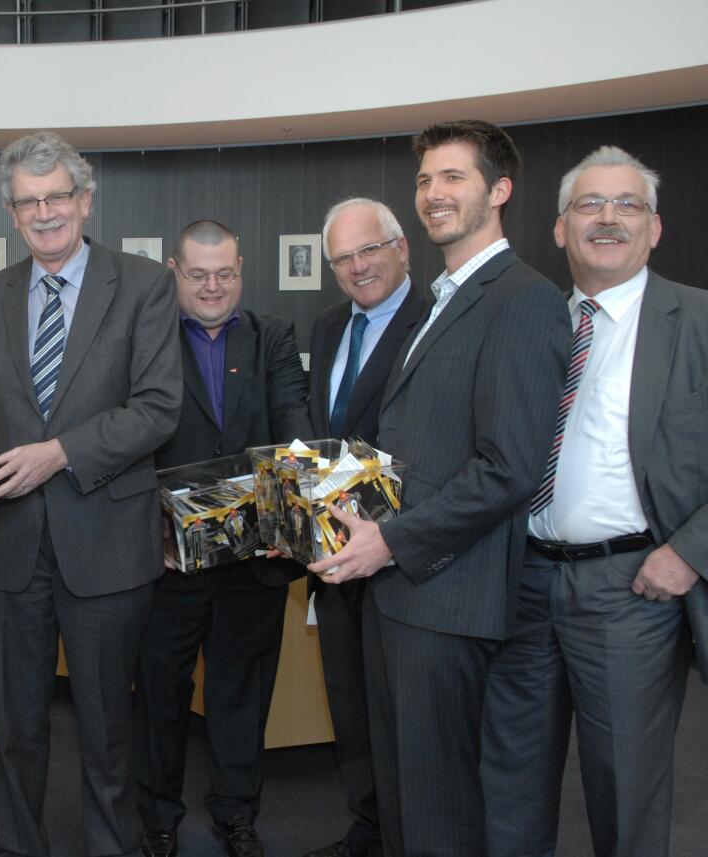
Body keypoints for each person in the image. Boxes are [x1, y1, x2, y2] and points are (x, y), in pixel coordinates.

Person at [304, 120, 570, 857]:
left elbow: (508, 467)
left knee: (436, 810)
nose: (433, 192)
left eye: (454, 177)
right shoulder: (448, 298)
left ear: (500, 190)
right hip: (402, 594)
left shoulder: (522, 298)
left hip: (447, 596)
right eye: (424, 180)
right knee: (403, 801)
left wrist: (389, 541)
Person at [480, 145, 708, 857]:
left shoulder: (698, 320)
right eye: (589, 204)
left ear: (655, 227)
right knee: (510, 780)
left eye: (627, 204)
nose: (608, 218)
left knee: (624, 790)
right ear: (559, 228)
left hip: (631, 590)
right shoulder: (533, 321)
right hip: (523, 582)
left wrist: (690, 552)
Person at [0, 130, 182, 857]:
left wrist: (58, 454)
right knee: (16, 730)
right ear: (11, 213)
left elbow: (158, 409)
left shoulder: (143, 284)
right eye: (28, 202)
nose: (45, 212)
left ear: (85, 200)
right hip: (10, 548)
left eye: (57, 196)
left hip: (107, 545)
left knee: (107, 731)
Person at [132, 220, 311, 857]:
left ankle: (237, 813)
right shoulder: (146, 337)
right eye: (199, 274)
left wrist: (288, 518)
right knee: (160, 695)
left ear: (241, 271)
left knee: (241, 694)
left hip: (253, 559)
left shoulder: (273, 337)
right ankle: (157, 816)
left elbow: (293, 426)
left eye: (226, 274)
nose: (213, 286)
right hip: (166, 561)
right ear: (174, 272)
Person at [300, 198, 428, 857]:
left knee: (404, 719)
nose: (357, 267)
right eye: (343, 258)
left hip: (404, 555)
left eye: (369, 250)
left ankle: (405, 836)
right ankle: (368, 828)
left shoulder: (435, 319)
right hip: (336, 555)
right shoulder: (328, 326)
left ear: (401, 248)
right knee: (350, 707)